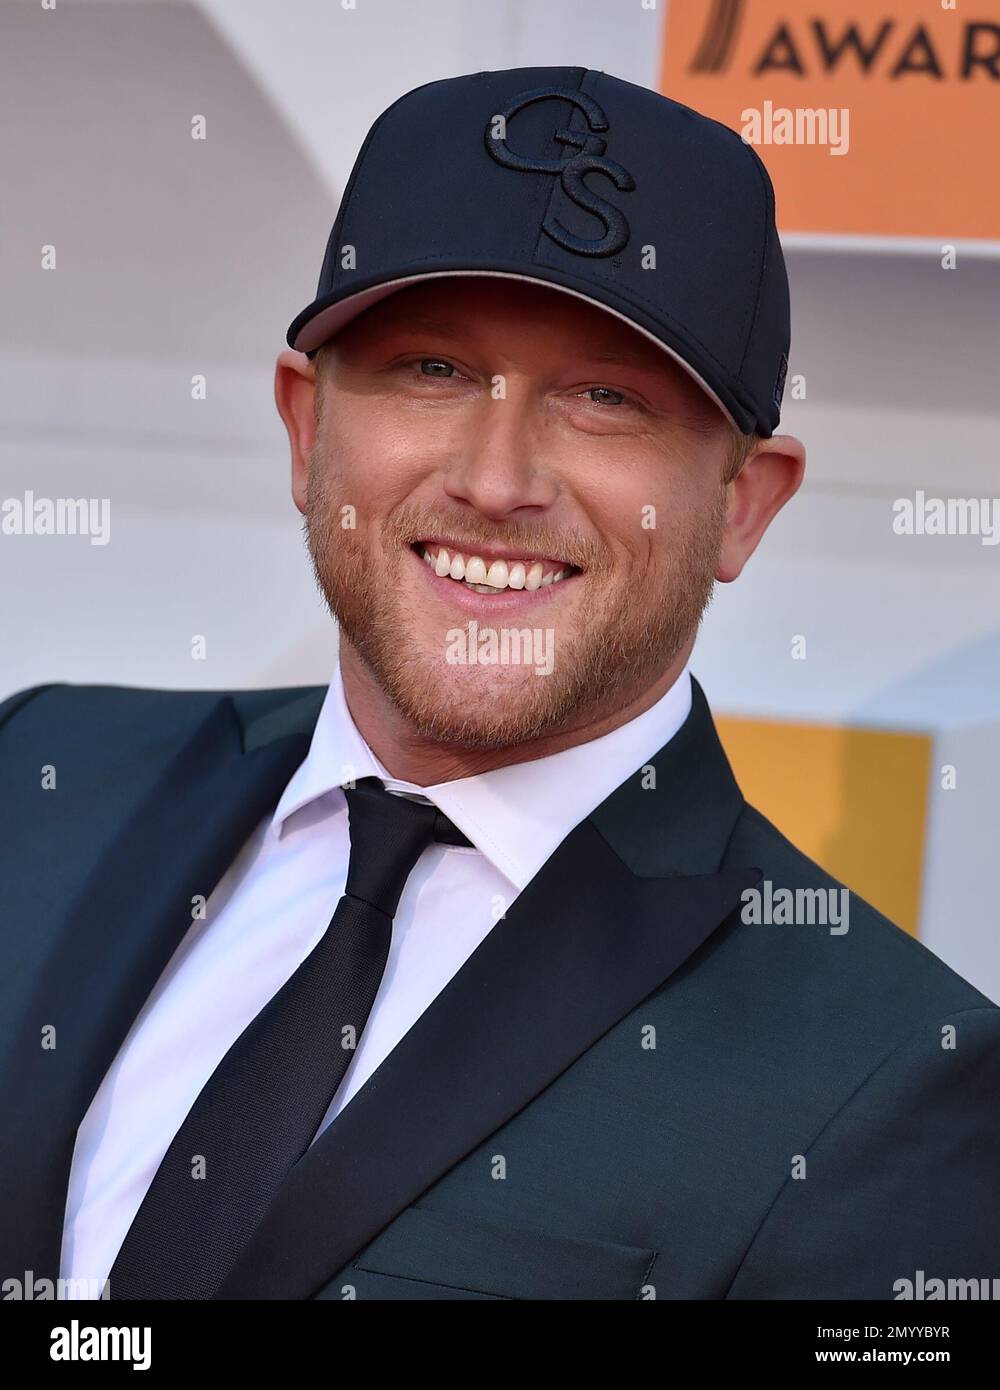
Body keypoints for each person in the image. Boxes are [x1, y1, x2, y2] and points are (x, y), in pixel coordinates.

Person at [1, 66, 997, 1303]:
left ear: (742, 504)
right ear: (307, 431)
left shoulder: (886, 1078)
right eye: (430, 370)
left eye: (604, 398)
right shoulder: (39, 774)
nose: (495, 474)